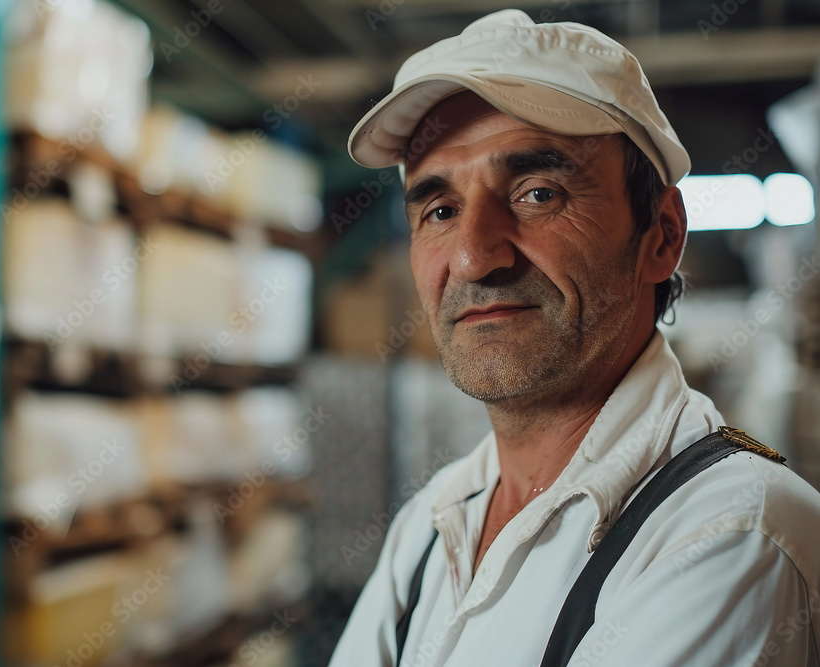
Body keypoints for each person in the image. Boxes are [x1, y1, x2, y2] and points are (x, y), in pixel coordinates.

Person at [329, 8, 820, 667]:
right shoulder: (432, 524)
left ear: (663, 236)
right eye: (440, 209)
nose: (475, 256)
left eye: (537, 193)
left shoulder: (733, 532)